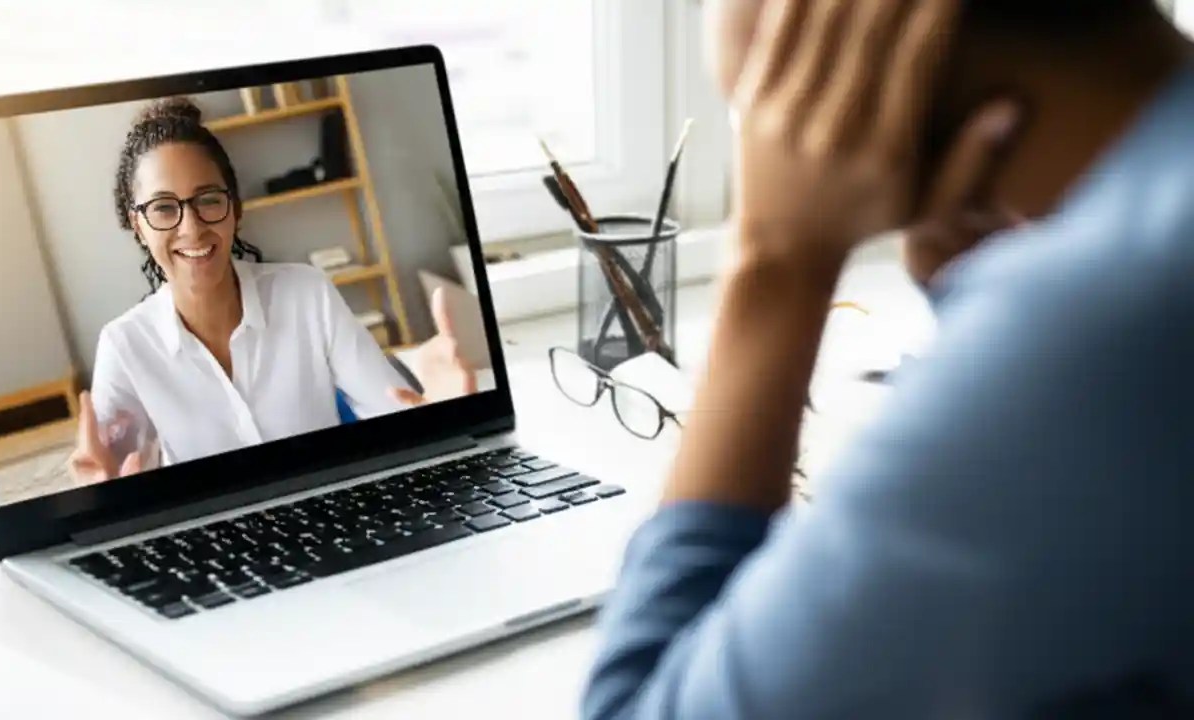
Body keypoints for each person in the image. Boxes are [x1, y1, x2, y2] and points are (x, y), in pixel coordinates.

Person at [584, 0, 1194, 717]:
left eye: (763, 111)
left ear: (862, 40)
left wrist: (774, 266)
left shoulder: (1100, 327)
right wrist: (971, 293)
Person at [68, 98, 475, 483]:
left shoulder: (305, 293)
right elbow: (117, 475)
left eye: (208, 200)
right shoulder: (124, 346)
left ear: (236, 208)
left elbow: (393, 412)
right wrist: (102, 493)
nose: (191, 227)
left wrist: (441, 414)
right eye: (162, 208)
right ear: (137, 224)